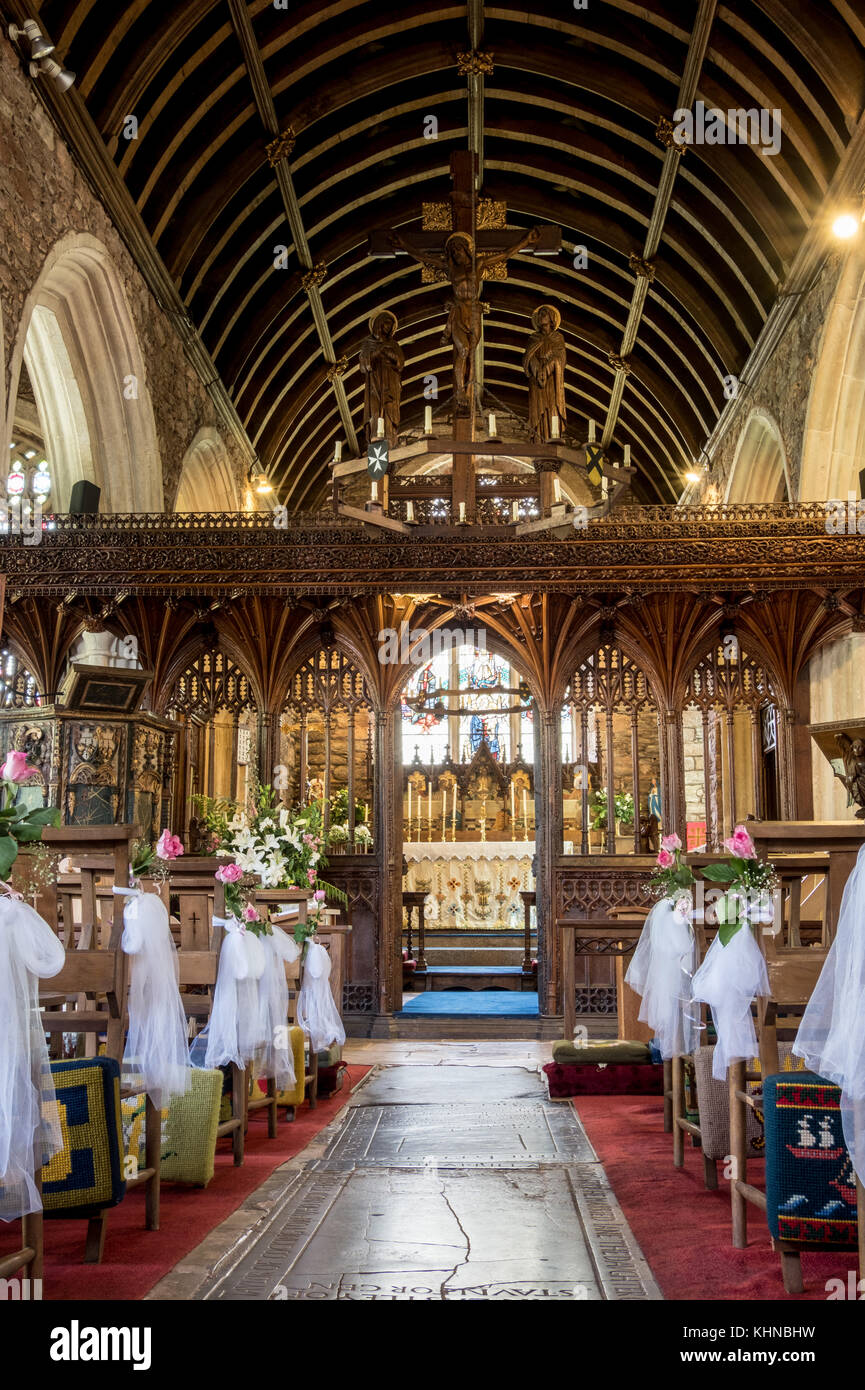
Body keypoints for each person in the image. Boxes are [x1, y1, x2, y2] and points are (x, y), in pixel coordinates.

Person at [523, 304, 567, 441]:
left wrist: (547, 369)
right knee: (538, 412)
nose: (541, 317)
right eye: (540, 314)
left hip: (552, 382)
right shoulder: (533, 339)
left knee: (552, 408)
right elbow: (528, 358)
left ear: (551, 318)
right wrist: (537, 368)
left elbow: (560, 358)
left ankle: (552, 438)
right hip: (537, 384)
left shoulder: (558, 338)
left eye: (544, 314)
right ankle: (539, 439)